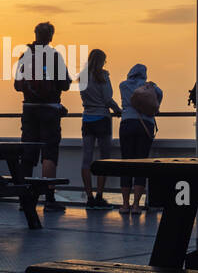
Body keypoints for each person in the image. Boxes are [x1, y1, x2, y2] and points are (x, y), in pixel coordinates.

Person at [13, 22, 72, 210]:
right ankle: (49, 199)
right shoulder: (55, 56)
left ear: (35, 34)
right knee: (49, 153)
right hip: (50, 110)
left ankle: (25, 199)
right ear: (51, 37)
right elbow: (65, 84)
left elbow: (16, 85)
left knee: (27, 153)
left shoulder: (25, 56)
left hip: (29, 110)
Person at [78, 48, 121, 209]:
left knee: (86, 160)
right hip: (102, 119)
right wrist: (118, 110)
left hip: (87, 119)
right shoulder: (103, 76)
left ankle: (89, 197)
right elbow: (108, 98)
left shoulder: (82, 77)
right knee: (104, 159)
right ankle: (100, 195)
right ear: (102, 61)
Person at [118, 63, 163, 214]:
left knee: (126, 163)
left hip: (127, 124)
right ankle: (137, 205)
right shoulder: (153, 88)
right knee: (141, 163)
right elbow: (157, 102)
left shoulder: (123, 85)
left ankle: (125, 205)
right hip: (146, 126)